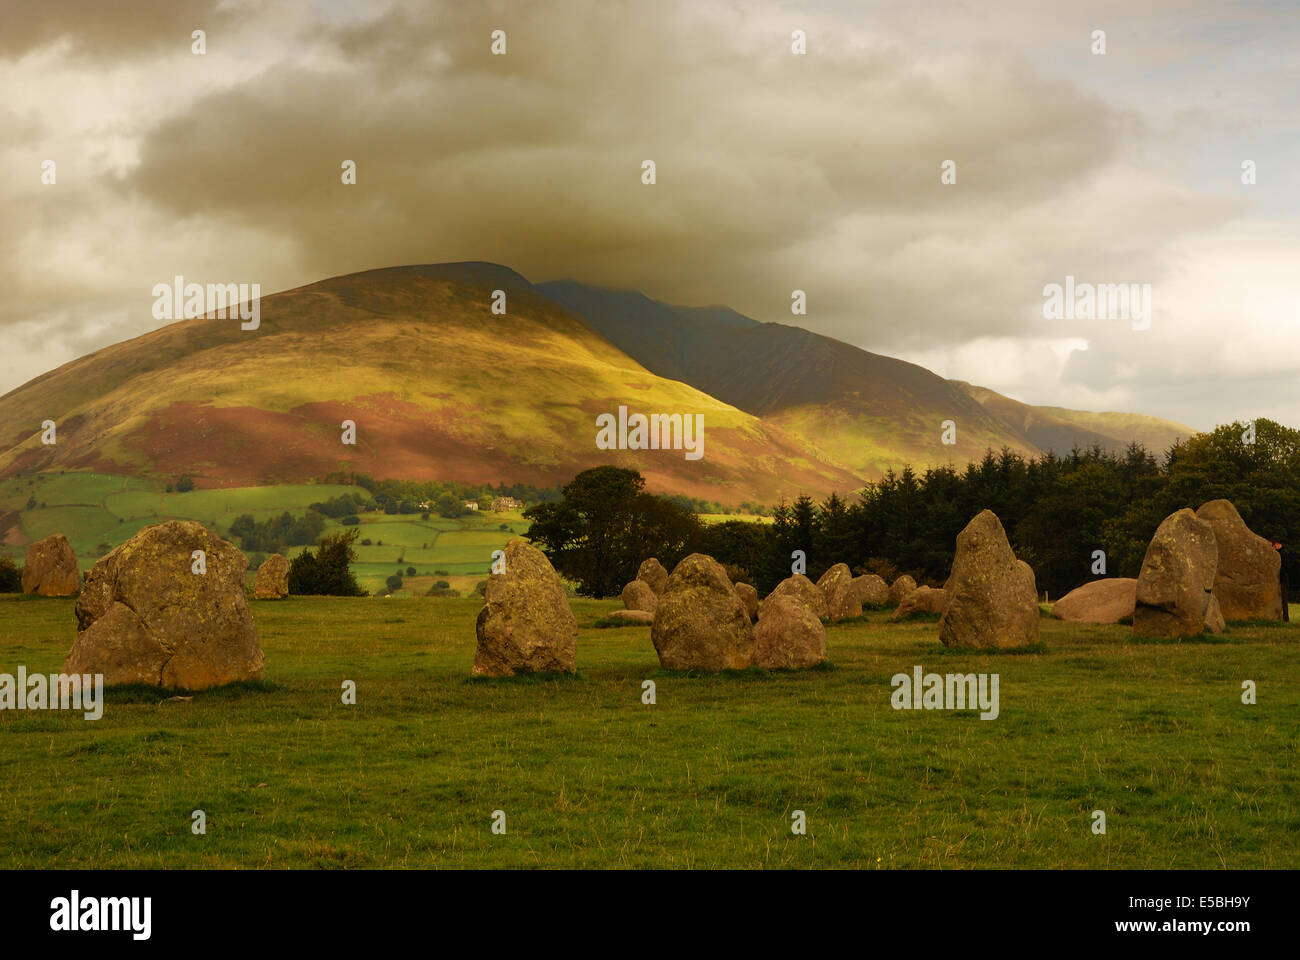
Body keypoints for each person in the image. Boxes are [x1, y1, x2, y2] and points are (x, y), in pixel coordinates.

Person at [1273, 540, 1289, 622]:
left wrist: (1277, 572)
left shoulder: (1284, 553)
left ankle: (1285, 618)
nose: (1274, 547)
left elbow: (1285, 567)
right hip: (1279, 579)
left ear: (1278, 544)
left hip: (1282, 579)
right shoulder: (1279, 553)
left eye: (1275, 545)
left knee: (1284, 599)